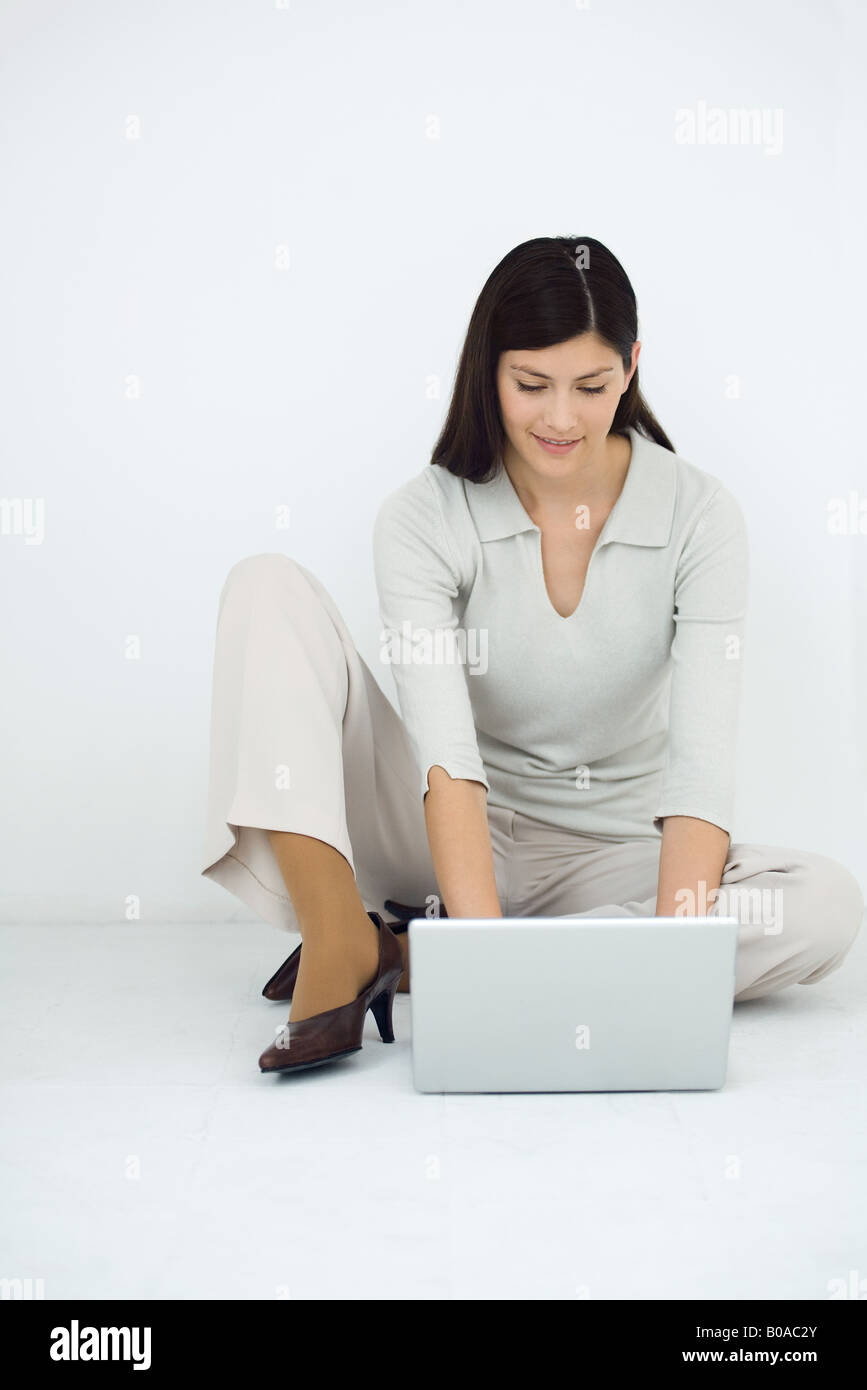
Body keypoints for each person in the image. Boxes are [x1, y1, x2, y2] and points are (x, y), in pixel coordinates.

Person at [200, 235, 864, 1077]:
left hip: (608, 853)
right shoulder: (423, 516)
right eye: (530, 385)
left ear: (629, 366)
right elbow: (448, 762)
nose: (559, 418)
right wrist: (481, 944)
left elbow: (699, 771)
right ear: (489, 372)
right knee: (265, 585)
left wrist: (668, 952)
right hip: (437, 840)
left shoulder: (699, 515)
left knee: (824, 904)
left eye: (589, 386)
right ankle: (345, 938)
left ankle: (415, 956)